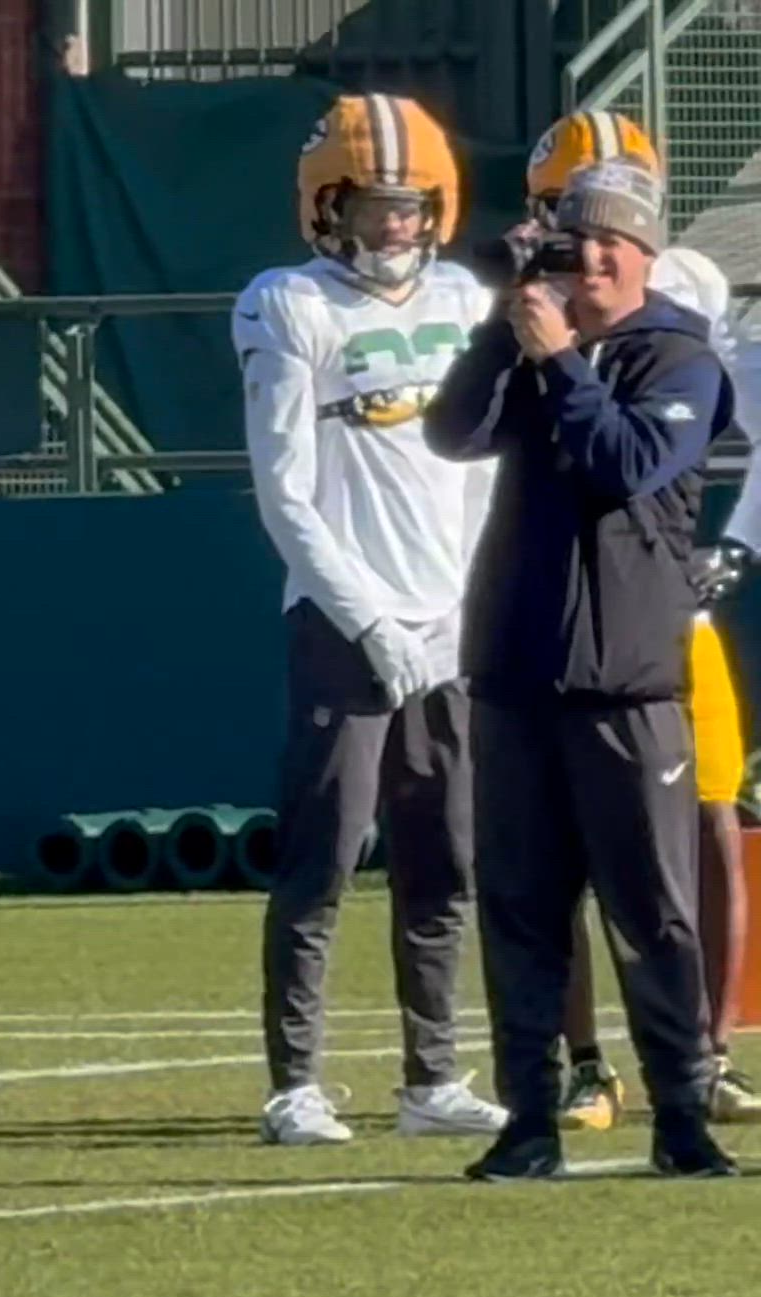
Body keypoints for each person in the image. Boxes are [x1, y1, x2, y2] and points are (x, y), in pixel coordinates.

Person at [426, 156, 741, 1179]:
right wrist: (502, 328)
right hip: (517, 672)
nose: (593, 259)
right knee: (521, 908)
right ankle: (529, 1121)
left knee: (651, 911)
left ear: (647, 253)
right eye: (578, 239)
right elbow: (452, 432)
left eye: (614, 241)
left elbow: (627, 465)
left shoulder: (681, 360)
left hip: (629, 683)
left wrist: (561, 361)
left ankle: (682, 1118)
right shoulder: (535, 344)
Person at [231, 92, 504, 1146]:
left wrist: (459, 608)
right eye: (376, 205)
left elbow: (481, 475)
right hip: (343, 625)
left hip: (445, 622)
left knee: (446, 857)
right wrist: (367, 619)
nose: (396, 225)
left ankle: (432, 1076)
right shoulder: (289, 302)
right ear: (327, 205)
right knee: (325, 856)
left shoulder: (465, 298)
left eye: (412, 205)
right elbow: (284, 492)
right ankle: (295, 1083)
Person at [515, 114, 761, 1130]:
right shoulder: (521, 300)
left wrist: (733, 543)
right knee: (553, 857)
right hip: (560, 604)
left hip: (667, 600)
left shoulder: (685, 290)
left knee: (710, 822)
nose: (591, 241)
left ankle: (707, 1055)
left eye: (618, 213)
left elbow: (714, 422)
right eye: (572, 211)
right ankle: (584, 1062)